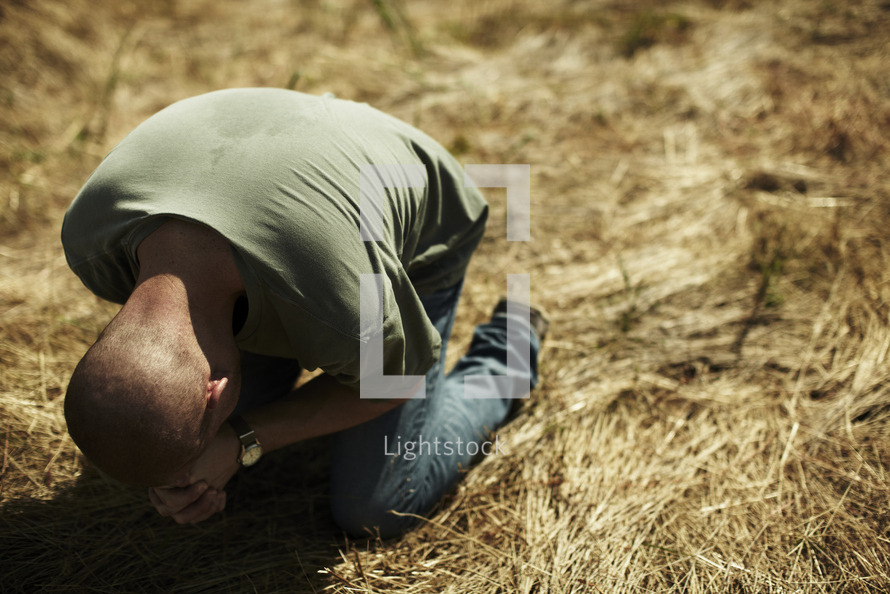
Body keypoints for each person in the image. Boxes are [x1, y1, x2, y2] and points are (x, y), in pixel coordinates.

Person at [61, 88, 547, 538]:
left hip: (418, 205)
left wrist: (243, 439)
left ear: (216, 390)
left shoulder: (346, 306)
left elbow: (399, 380)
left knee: (377, 504)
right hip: (285, 149)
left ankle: (510, 347)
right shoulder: (91, 241)